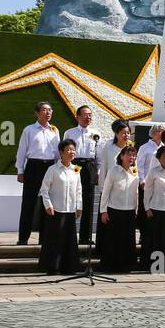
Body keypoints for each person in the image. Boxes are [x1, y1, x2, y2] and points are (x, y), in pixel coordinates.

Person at [15, 101, 60, 245]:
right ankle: (23, 238)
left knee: (47, 203)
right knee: (29, 203)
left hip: (50, 168)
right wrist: (20, 170)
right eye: (45, 110)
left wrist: (59, 168)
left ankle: (44, 238)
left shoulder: (54, 130)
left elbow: (58, 152)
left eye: (50, 110)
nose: (48, 113)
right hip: (33, 167)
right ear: (37, 113)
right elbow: (22, 151)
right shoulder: (29, 130)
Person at [38, 137, 83, 275]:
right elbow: (44, 190)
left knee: (69, 241)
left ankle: (69, 267)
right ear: (61, 152)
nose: (71, 152)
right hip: (55, 210)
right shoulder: (53, 169)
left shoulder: (76, 169)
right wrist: (48, 205)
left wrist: (79, 206)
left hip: (70, 210)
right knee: (54, 241)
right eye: (68, 150)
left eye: (73, 150)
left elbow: (78, 189)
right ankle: (53, 267)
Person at [63, 104, 103, 244]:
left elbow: (99, 156)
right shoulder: (70, 133)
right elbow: (64, 152)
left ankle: (85, 237)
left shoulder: (96, 134)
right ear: (77, 116)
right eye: (85, 114)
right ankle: (68, 235)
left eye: (90, 115)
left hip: (90, 167)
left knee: (88, 202)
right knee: (71, 198)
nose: (88, 117)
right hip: (75, 166)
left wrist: (98, 171)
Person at [98, 143, 139, 273]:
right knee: (113, 240)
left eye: (133, 155)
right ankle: (110, 266)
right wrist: (103, 211)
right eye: (128, 154)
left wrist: (136, 209)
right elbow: (106, 191)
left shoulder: (134, 172)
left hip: (129, 210)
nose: (131, 157)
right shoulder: (114, 171)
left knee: (127, 240)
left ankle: (127, 266)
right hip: (114, 209)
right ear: (121, 156)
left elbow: (136, 192)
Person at [135, 123, 165, 268]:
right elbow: (139, 165)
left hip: (161, 186)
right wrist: (142, 180)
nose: (161, 133)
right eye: (159, 131)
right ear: (153, 133)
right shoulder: (145, 148)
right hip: (147, 184)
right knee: (145, 212)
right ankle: (143, 235)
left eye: (163, 131)